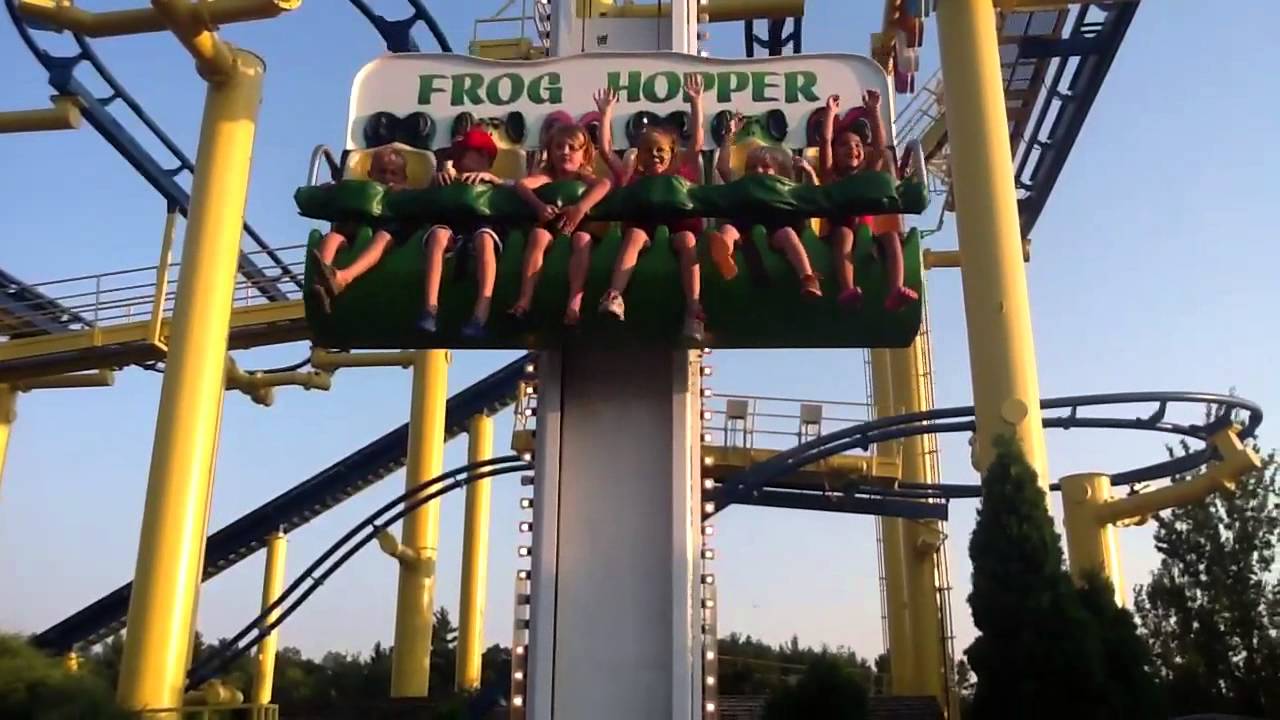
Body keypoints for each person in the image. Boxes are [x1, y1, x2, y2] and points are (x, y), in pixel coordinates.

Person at [595, 73, 707, 343]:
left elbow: (697, 144)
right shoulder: (633, 176)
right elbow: (606, 150)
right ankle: (615, 294)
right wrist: (606, 114)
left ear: (671, 154)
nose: (654, 156)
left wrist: (696, 103)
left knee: (687, 241)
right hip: (644, 224)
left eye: (660, 151)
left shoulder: (680, 171)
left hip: (677, 223)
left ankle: (693, 308)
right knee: (634, 237)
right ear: (639, 154)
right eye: (648, 151)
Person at [818, 90, 919, 311]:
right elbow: (825, 141)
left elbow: (881, 148)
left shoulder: (868, 176)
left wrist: (874, 111)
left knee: (891, 237)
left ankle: (895, 289)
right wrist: (829, 114)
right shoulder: (832, 177)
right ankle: (847, 289)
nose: (853, 149)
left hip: (867, 233)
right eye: (844, 145)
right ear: (835, 153)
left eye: (857, 146)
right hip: (841, 229)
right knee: (844, 234)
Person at [508, 123, 613, 326]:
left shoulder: (583, 177)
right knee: (538, 236)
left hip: (578, 227)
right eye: (559, 147)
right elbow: (522, 185)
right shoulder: (547, 177)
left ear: (584, 154)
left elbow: (605, 184)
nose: (565, 152)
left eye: (572, 148)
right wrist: (539, 206)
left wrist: (580, 208)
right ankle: (525, 299)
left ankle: (574, 302)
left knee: (582, 240)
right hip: (552, 226)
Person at [706, 116, 822, 296]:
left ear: (778, 171)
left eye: (765, 166)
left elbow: (815, 195)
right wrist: (730, 135)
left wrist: (809, 171)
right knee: (728, 229)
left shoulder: (784, 187)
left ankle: (807, 277)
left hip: (776, 229)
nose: (758, 170)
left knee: (788, 234)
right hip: (745, 228)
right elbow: (722, 168)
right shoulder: (745, 183)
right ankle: (724, 256)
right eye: (752, 167)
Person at [418, 128, 507, 338]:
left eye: (461, 154)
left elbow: (515, 190)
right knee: (438, 235)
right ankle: (430, 308)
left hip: (483, 227)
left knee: (485, 239)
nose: (455, 160)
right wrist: (436, 182)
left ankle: (480, 314)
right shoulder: (448, 179)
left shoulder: (494, 181)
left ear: (483, 156)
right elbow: (425, 201)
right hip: (453, 228)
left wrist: (494, 181)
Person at [311, 146, 408, 313]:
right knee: (331, 238)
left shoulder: (406, 193)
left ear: (404, 178)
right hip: (356, 233)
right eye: (382, 172)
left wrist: (403, 192)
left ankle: (343, 278)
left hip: (388, 237)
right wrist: (331, 189)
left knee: (382, 237)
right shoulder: (361, 191)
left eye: (394, 173)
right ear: (371, 174)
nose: (387, 177)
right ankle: (320, 283)